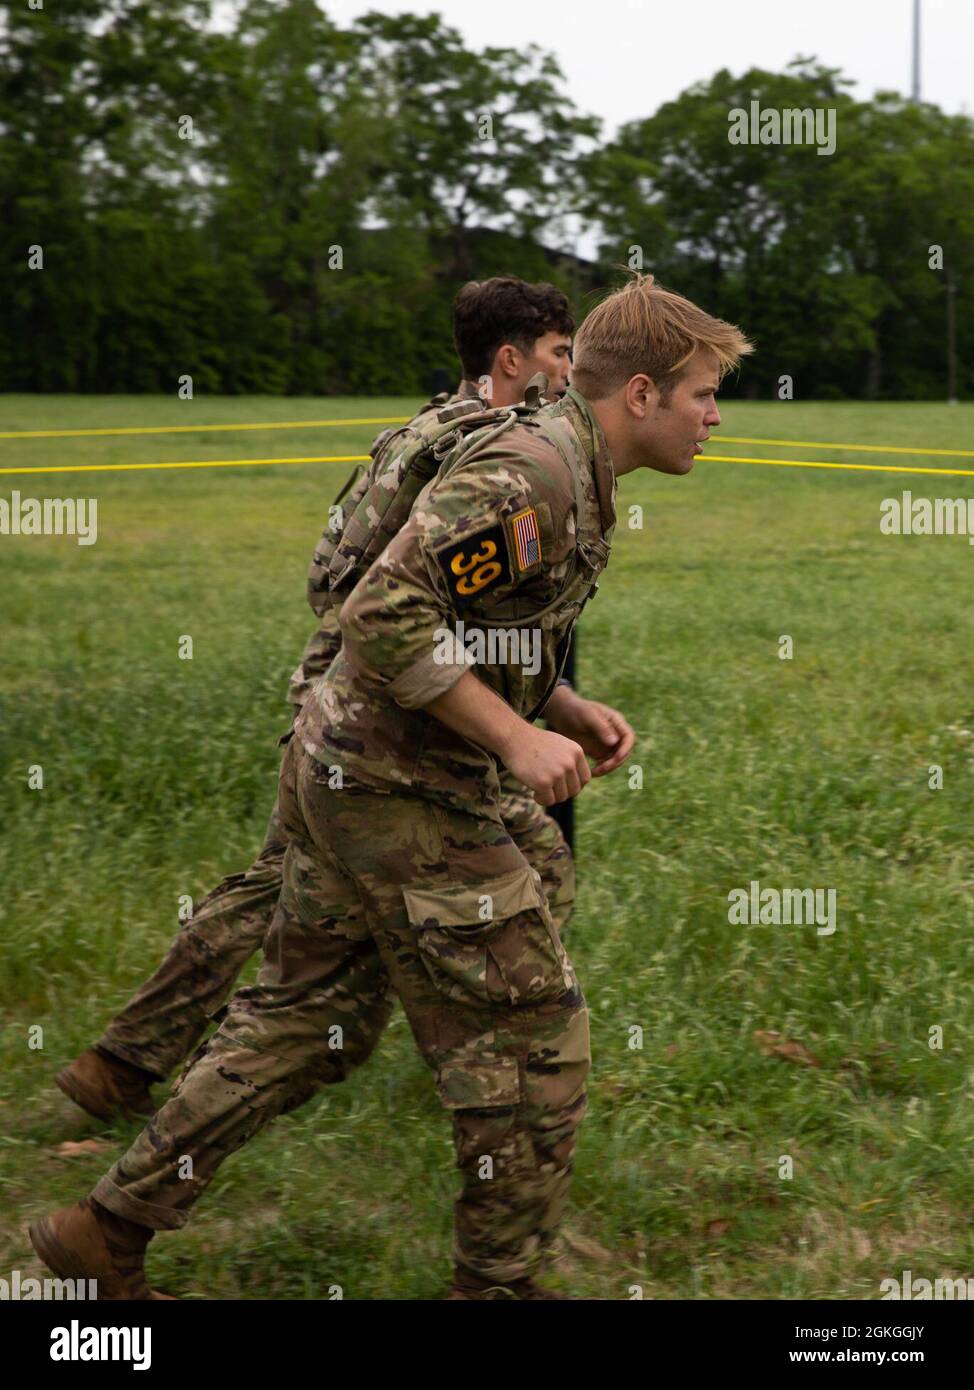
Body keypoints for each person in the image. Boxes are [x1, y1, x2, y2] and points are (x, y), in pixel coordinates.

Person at [31, 272, 752, 1300]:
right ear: (638, 394)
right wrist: (509, 738)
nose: (716, 417)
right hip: (391, 780)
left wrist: (557, 705)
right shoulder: (533, 472)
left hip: (354, 764)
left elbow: (476, 614)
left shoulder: (570, 469)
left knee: (306, 1021)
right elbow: (381, 613)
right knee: (533, 1037)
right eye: (701, 394)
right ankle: (494, 1285)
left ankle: (102, 1230)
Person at [54, 277, 596, 1124]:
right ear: (512, 360)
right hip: (378, 713)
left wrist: (553, 699)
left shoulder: (422, 426)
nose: (570, 372)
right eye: (561, 353)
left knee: (280, 888)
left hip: (352, 691)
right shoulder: (497, 449)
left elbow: (347, 576)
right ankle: (487, 1051)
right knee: (312, 895)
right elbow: (410, 603)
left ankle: (125, 1063)